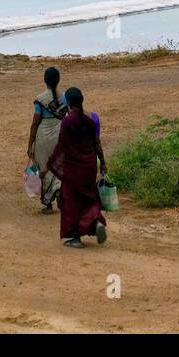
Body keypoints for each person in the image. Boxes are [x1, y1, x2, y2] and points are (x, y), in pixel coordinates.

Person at [47, 87, 108, 249]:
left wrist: (52, 164)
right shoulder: (91, 119)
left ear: (68, 101)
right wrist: (102, 162)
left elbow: (62, 146)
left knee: (71, 203)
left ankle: (76, 238)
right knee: (89, 198)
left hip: (73, 169)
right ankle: (95, 224)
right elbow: (97, 142)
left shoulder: (68, 121)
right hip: (89, 166)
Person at [27, 67, 66, 213]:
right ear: (58, 80)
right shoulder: (65, 98)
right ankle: (59, 190)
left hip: (43, 138)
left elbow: (35, 123)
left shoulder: (40, 100)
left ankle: (48, 204)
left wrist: (30, 143)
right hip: (60, 135)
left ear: (45, 81)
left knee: (44, 167)